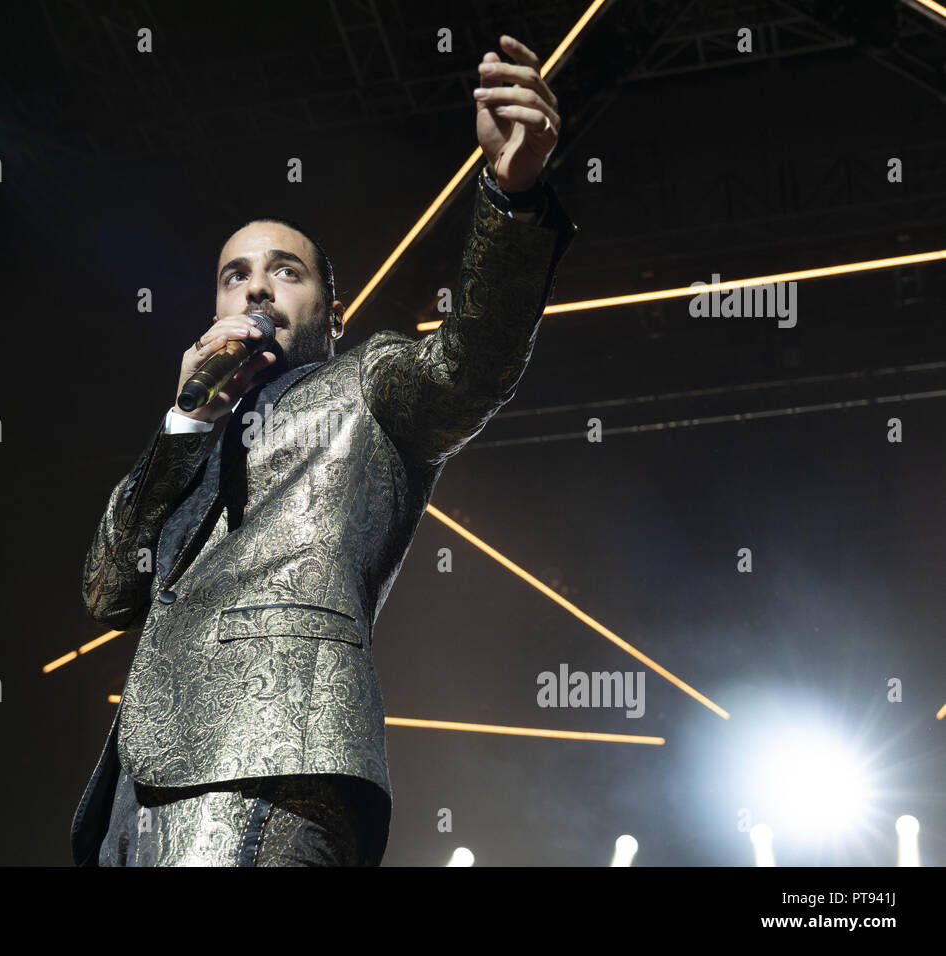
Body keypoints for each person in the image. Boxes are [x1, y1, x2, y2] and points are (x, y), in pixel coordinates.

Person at [71, 34, 577, 866]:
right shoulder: (190, 432)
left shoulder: (368, 384)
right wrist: (184, 421)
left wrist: (512, 196)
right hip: (136, 791)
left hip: (277, 763)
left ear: (332, 316)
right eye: (236, 275)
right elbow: (107, 590)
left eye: (284, 272)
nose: (257, 287)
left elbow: (472, 363)